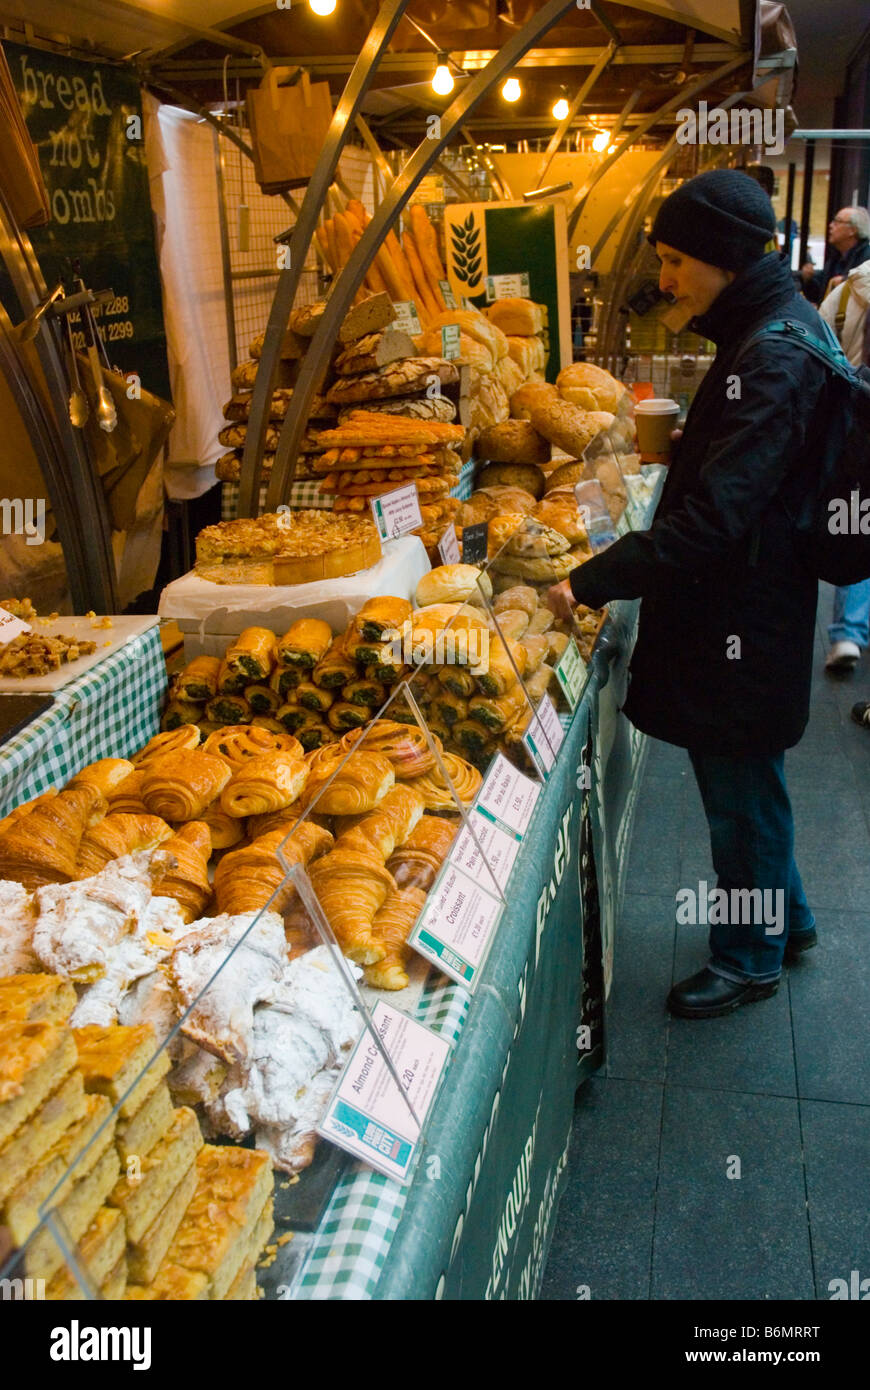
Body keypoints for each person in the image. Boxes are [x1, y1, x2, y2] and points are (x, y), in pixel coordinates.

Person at [548, 169, 845, 1020]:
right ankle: (786, 923)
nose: (667, 278)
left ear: (720, 256)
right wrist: (699, 435)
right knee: (752, 780)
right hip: (752, 605)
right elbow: (752, 470)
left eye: (678, 260)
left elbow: (717, 519)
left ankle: (749, 955)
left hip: (744, 620)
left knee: (739, 789)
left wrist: (590, 580)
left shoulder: (774, 349)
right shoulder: (770, 327)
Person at [819, 261, 870, 671]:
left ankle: (848, 633)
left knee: (858, 519)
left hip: (857, 423)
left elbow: (818, 348)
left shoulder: (846, 291)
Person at [801, 206, 870, 301]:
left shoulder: (866, 258)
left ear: (852, 230)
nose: (831, 225)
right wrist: (809, 279)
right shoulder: (835, 258)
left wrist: (845, 283)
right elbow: (819, 296)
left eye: (837, 222)